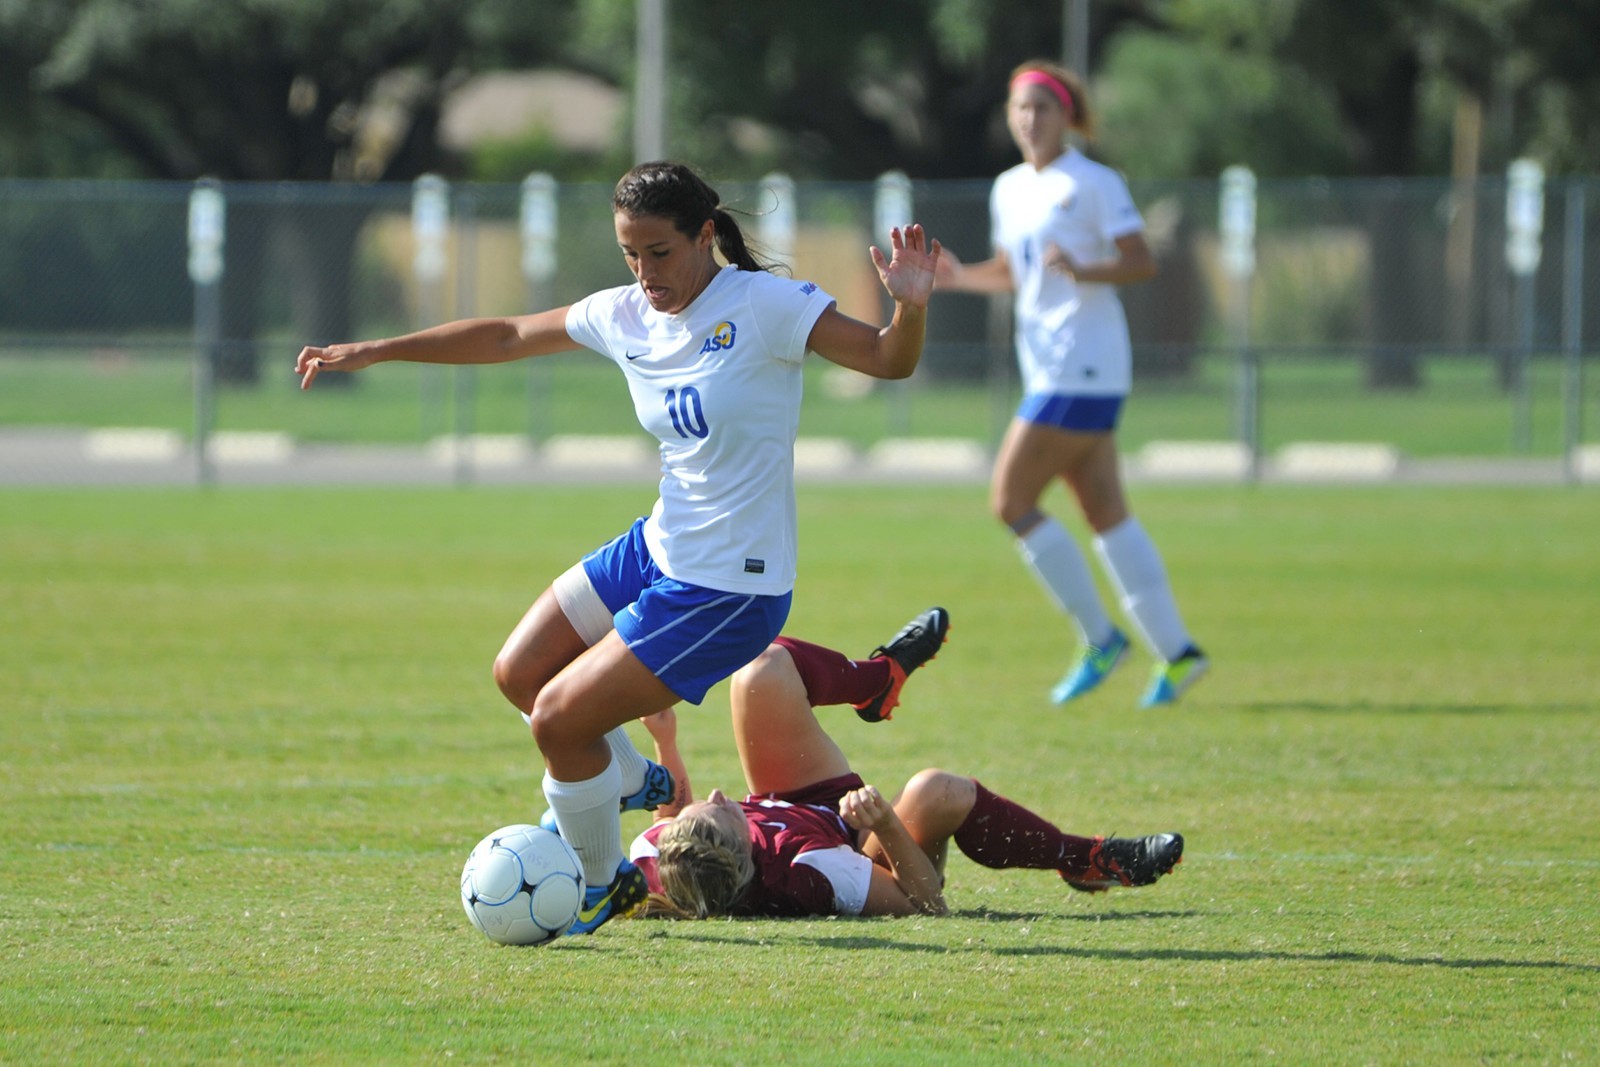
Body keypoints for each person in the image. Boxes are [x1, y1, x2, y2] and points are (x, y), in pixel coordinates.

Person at [295, 161, 942, 934]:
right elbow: (505, 336)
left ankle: (601, 883)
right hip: (659, 547)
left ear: (706, 236)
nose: (645, 273)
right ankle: (635, 776)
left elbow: (887, 358)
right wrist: (378, 350)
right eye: (629, 254)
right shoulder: (628, 312)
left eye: (660, 252)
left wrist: (909, 309)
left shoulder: (765, 306)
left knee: (558, 723)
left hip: (729, 585)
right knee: (521, 675)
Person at [933, 60, 1208, 708]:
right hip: (1056, 365)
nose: (1031, 119)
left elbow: (1141, 261)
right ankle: (1177, 652)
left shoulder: (1092, 181)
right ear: (1009, 116)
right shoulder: (1008, 187)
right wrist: (958, 276)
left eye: (1043, 108)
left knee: (1010, 499)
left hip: (1083, 365)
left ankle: (1102, 638)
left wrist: (1084, 268)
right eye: (1021, 108)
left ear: (1066, 116)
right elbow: (1013, 271)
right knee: (1104, 511)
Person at [627, 607, 1185, 920]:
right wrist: (885, 822)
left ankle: (880, 680)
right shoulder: (815, 872)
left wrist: (666, 743)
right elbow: (925, 903)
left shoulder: (664, 860)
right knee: (936, 791)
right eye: (725, 813)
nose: (722, 795)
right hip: (853, 839)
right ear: (745, 846)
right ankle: (1085, 858)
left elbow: (669, 824)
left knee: (761, 670)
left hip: (794, 805)